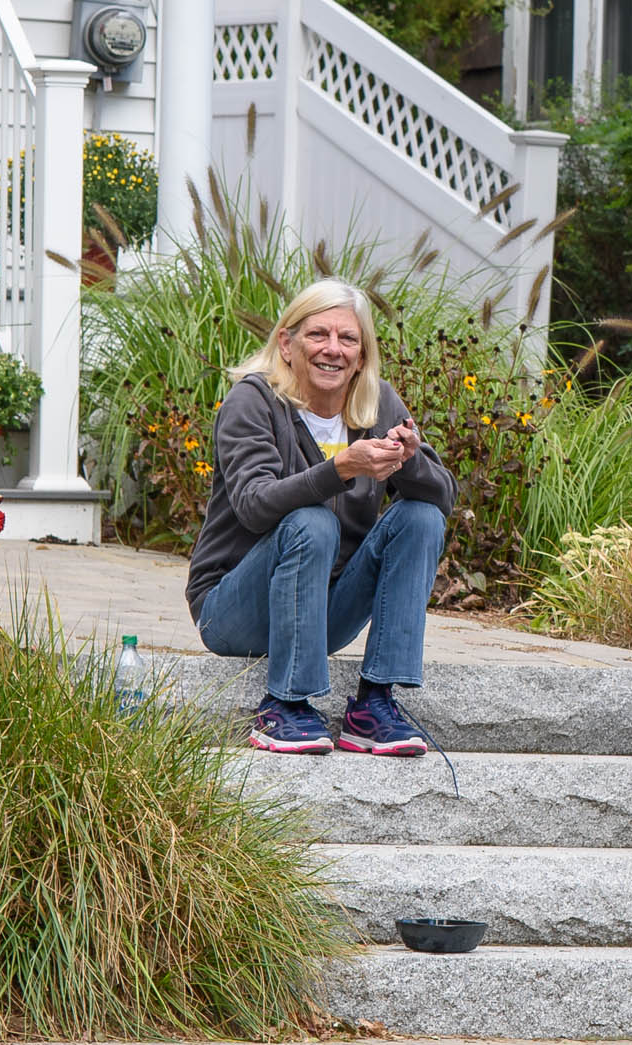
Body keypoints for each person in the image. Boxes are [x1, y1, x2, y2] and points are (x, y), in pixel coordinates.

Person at [185, 279, 456, 756]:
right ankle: (284, 704)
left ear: (363, 354)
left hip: (325, 612)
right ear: (286, 344)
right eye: (318, 335)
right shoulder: (253, 401)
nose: (333, 349)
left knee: (421, 518)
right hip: (233, 610)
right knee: (312, 522)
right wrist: (340, 468)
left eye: (348, 339)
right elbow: (253, 505)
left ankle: (374, 704)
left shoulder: (376, 403)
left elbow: (443, 499)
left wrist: (411, 460)